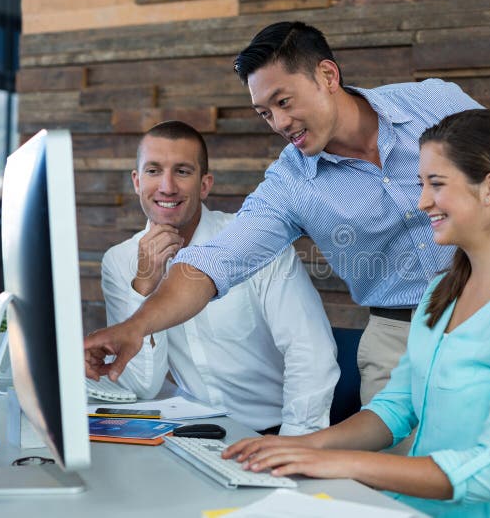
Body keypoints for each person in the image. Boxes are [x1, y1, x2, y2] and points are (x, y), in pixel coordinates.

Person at [84, 21, 490, 406]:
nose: (279, 122)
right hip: (400, 336)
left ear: (327, 75)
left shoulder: (433, 103)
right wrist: (136, 326)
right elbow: (213, 264)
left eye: (285, 102)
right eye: (265, 112)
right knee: (401, 489)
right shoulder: (290, 183)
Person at [222, 109, 490, 517]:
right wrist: (301, 446)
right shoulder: (439, 292)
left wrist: (337, 463)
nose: (421, 202)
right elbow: (395, 409)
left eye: (436, 185)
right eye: (421, 184)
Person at [97, 120, 339, 435]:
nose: (167, 186)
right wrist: (145, 285)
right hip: (192, 431)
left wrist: (294, 443)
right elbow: (142, 385)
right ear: (137, 181)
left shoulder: (254, 241)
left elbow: (310, 349)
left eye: (182, 171)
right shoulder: (119, 261)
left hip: (272, 430)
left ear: (205, 185)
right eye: (154, 171)